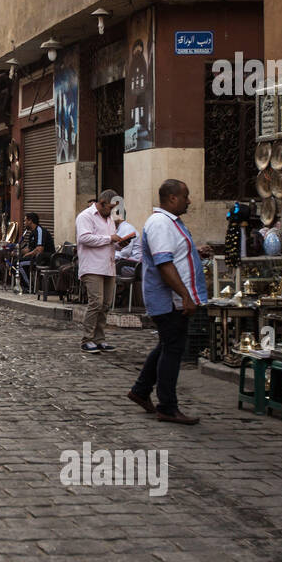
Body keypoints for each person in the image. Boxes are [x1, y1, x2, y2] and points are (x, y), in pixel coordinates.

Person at [129, 180, 211, 424]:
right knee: (172, 349)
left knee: (167, 345)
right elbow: (164, 264)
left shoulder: (169, 223)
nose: (189, 200)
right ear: (173, 198)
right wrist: (185, 296)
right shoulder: (160, 224)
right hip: (168, 300)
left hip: (172, 299)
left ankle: (141, 390)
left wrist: (194, 251)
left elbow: (172, 253)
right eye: (186, 196)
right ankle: (167, 405)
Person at [77, 190, 121, 354]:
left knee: (105, 304)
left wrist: (119, 243)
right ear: (101, 203)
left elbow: (109, 240)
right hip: (92, 266)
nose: (111, 211)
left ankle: (99, 339)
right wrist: (110, 239)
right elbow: (84, 238)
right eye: (110, 207)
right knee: (95, 302)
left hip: (108, 266)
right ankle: (87, 339)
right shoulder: (86, 216)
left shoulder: (109, 219)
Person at [16, 212, 54, 293]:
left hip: (44, 259)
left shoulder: (40, 231)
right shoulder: (32, 233)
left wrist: (27, 254)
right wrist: (18, 250)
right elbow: (30, 249)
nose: (24, 223)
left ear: (30, 221)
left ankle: (29, 286)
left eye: (25, 221)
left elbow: (39, 249)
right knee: (15, 262)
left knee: (19, 264)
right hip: (35, 257)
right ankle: (22, 285)